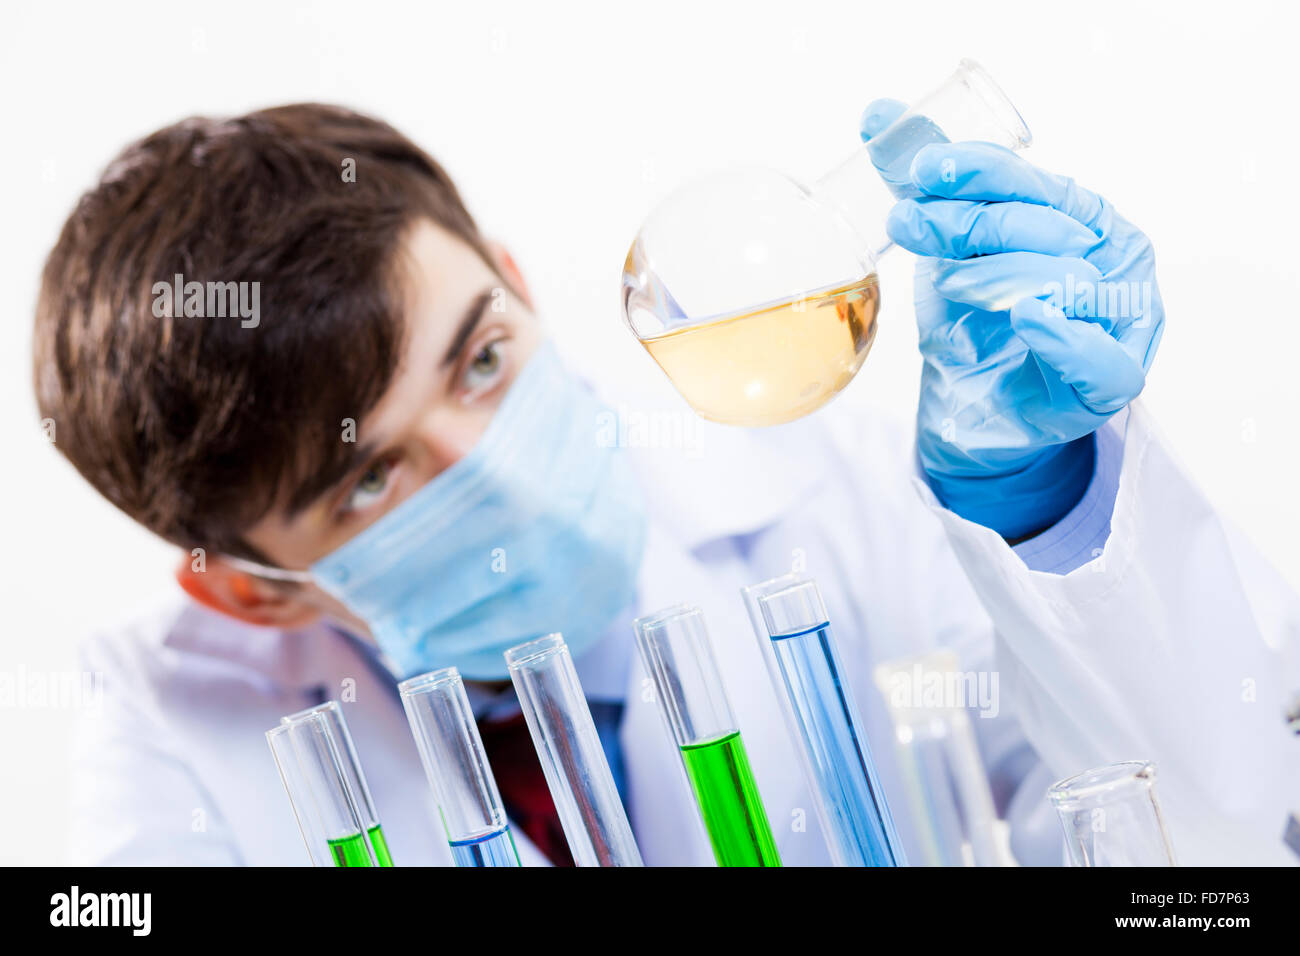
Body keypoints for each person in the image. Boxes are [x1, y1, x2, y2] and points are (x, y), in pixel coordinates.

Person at [32, 103, 1298, 867]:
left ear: (518, 281)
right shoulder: (167, 735)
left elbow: (1206, 843)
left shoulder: (840, 496)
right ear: (251, 592)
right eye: (368, 482)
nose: (495, 479)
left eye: (480, 360)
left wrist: (1044, 500)